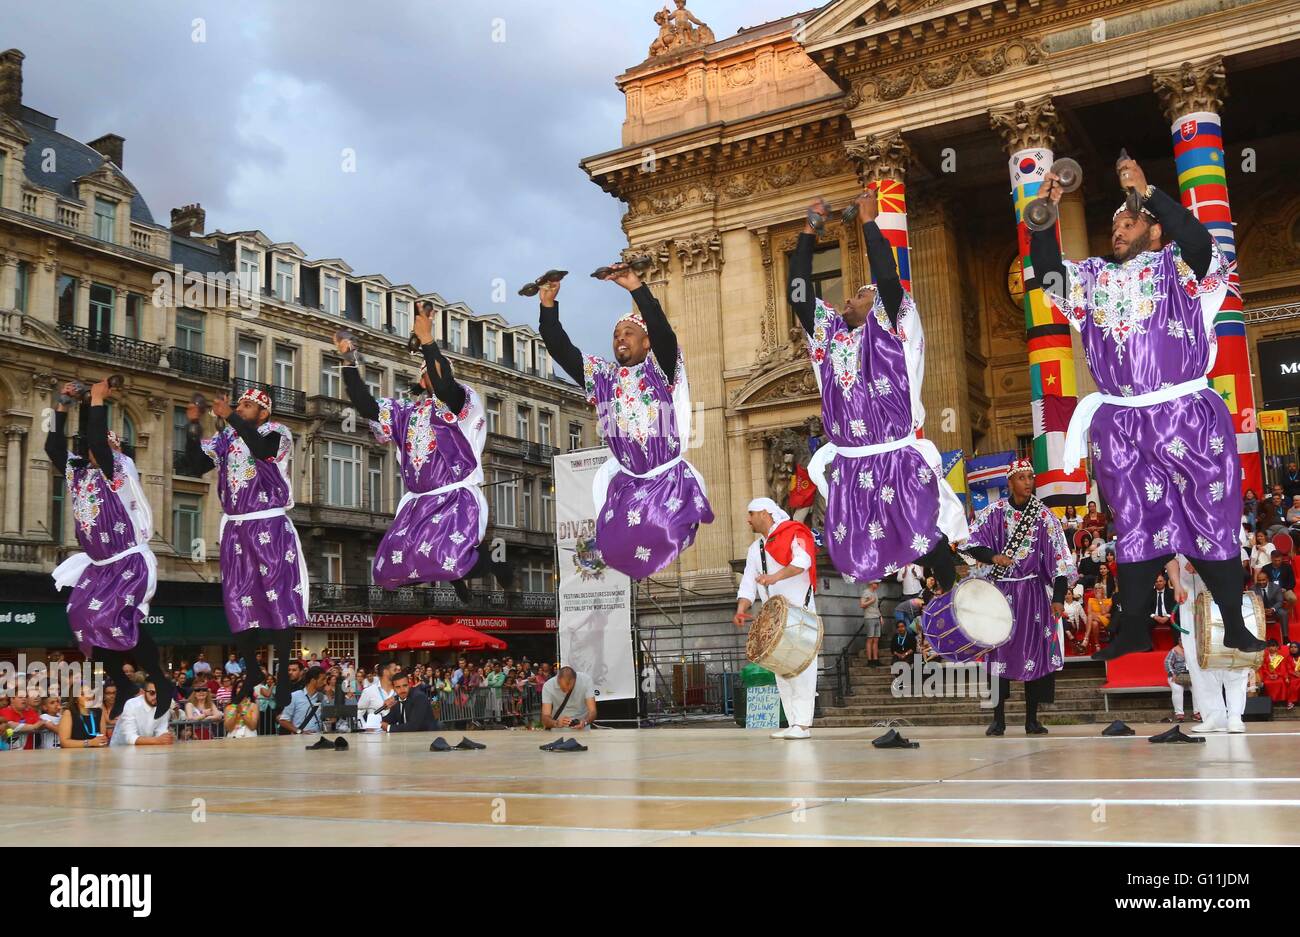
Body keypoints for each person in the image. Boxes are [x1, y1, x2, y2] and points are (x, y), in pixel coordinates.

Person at [1036, 155, 1263, 659]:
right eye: (1115, 223)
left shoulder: (1177, 265)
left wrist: (1150, 191)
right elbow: (1049, 272)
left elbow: (1204, 245)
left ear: (1155, 232)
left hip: (1186, 414)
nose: (1117, 230)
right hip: (1121, 422)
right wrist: (1048, 212)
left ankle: (1233, 621)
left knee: (1209, 513)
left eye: (1129, 222)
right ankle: (1132, 627)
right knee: (1136, 518)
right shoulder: (1092, 277)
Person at [789, 189, 966, 590]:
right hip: (851, 463)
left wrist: (870, 222)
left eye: (862, 293)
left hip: (896, 456)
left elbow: (888, 279)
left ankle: (955, 596)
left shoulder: (892, 328)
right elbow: (798, 292)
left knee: (923, 534)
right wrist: (806, 233)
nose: (850, 296)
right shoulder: (828, 336)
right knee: (858, 547)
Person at [536, 260, 713, 577]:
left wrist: (636, 287)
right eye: (617, 334)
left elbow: (663, 333)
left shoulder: (661, 370)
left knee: (671, 534)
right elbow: (562, 351)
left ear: (646, 343)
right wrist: (548, 307)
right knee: (614, 551)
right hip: (628, 486)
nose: (621, 338)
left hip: (667, 482)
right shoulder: (603, 378)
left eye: (629, 333)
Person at [334, 307, 512, 601]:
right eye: (428, 372)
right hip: (419, 501)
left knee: (450, 557)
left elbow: (444, 387)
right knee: (393, 566)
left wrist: (428, 341)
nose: (433, 375)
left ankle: (493, 565)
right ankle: (454, 578)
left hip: (454, 497)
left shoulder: (457, 403)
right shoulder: (405, 412)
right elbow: (366, 406)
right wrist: (349, 361)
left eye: (437, 370)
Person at [46, 378, 173, 720]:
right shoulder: (80, 473)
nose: (90, 447)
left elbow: (99, 446)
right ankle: (123, 682)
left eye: (98, 442)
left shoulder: (118, 468)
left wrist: (98, 400)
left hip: (128, 560)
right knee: (82, 618)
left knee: (119, 617)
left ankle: (160, 680)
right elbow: (54, 449)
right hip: (100, 564)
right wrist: (61, 406)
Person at [182, 388, 306, 709]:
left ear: (263, 412)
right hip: (236, 526)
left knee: (278, 596)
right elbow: (194, 464)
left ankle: (280, 678)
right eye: (239, 405)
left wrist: (230, 418)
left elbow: (263, 450)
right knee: (237, 598)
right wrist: (193, 426)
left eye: (247, 405)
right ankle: (251, 669)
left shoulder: (277, 432)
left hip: (269, 524)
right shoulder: (225, 440)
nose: (240, 408)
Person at [962, 460, 1075, 736]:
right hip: (1001, 594)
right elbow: (970, 544)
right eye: (1022, 478)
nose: (1028, 482)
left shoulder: (1045, 517)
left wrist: (1058, 598)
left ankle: (1031, 719)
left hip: (1033, 594)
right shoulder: (993, 513)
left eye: (1030, 477)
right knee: (996, 653)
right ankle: (998, 718)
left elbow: (1060, 561)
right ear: (1009, 483)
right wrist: (992, 556)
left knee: (1034, 654)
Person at [733, 497, 820, 740]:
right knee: (781, 669)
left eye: (751, 513)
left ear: (765, 513)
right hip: (774, 618)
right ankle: (793, 722)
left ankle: (803, 725)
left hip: (799, 612)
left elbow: (803, 561)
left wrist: (775, 577)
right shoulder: (755, 549)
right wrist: (742, 608)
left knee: (802, 668)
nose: (748, 519)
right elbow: (748, 583)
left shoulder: (795, 532)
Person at [1168, 557, 1250, 733]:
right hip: (1190, 598)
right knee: (1197, 659)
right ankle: (1213, 715)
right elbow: (1170, 557)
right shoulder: (1178, 527)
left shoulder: (1227, 527)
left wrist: (1205, 565)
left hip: (1224, 593)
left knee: (1232, 654)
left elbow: (1236, 555)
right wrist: (1176, 583)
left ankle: (1235, 714)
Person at [110, 682, 174, 747]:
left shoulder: (163, 707)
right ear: (143, 692)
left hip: (146, 749)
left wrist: (165, 738)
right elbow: (130, 738)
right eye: (152, 693)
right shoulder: (131, 705)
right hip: (120, 749)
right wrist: (157, 740)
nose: (156, 697)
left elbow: (161, 733)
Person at [540, 666, 596, 731]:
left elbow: (592, 711)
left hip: (582, 730)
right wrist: (557, 723)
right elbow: (545, 717)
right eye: (563, 689)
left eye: (570, 689)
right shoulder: (548, 686)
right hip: (558, 731)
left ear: (575, 680)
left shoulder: (586, 680)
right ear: (557, 679)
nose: (566, 692)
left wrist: (585, 722)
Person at [277, 666, 326, 736]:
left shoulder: (323, 697)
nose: (325, 683)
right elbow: (283, 721)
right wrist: (299, 731)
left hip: (318, 738)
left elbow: (332, 719)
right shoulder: (294, 696)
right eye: (323, 679)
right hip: (299, 739)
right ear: (313, 681)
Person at [57, 683, 107, 749]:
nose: (88, 696)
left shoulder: (99, 712)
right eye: (82, 694)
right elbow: (64, 742)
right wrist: (90, 742)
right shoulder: (68, 713)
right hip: (75, 756)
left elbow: (102, 738)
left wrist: (103, 741)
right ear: (75, 699)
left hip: (95, 755)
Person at [1258, 640, 1297, 710]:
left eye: (1273, 646)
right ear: (1267, 648)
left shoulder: (1280, 658)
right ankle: (1270, 701)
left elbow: (1283, 669)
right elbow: (1264, 668)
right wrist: (1269, 675)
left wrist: (1277, 675)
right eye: (1269, 646)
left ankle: (1280, 701)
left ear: (1277, 647)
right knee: (1267, 683)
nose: (1271, 648)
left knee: (1281, 682)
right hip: (1268, 676)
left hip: (1279, 676)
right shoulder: (1265, 658)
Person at [1163, 642, 1191, 722]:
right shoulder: (1174, 650)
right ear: (1179, 641)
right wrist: (1173, 674)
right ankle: (1179, 714)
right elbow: (1167, 662)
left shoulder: (1193, 649)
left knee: (1197, 689)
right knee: (1177, 689)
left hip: (1191, 676)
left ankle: (1197, 712)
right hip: (1177, 675)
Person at [859, 581, 884, 668]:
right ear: (871, 583)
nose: (877, 585)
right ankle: (870, 660)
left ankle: (876, 659)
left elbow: (876, 607)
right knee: (870, 639)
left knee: (876, 640)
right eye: (876, 583)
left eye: (878, 584)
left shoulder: (875, 593)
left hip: (876, 617)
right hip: (869, 617)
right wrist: (871, 601)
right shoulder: (866, 592)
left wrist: (880, 616)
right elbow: (862, 604)